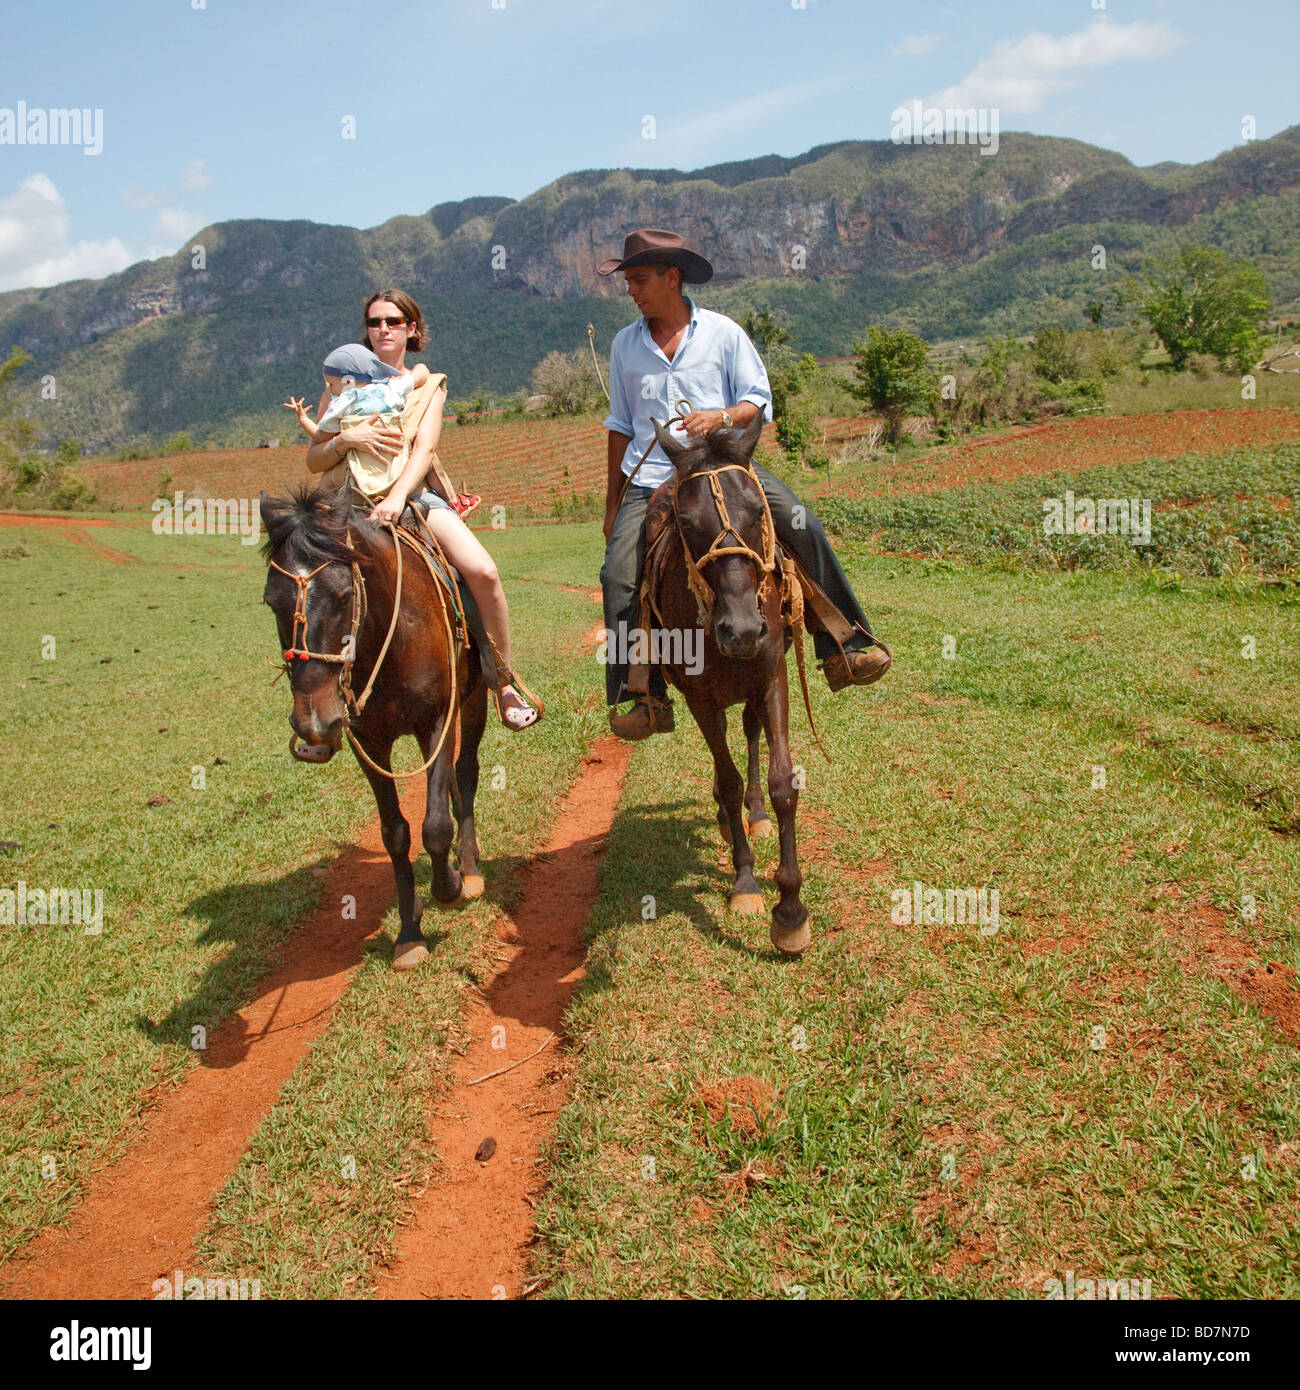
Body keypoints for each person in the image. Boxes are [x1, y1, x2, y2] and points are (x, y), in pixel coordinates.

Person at [597, 229, 891, 740]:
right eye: (627, 280)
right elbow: (622, 425)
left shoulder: (723, 333)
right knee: (618, 576)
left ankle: (844, 645)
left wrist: (720, 416)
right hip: (651, 478)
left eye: (639, 279)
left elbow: (757, 402)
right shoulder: (625, 344)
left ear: (672, 278)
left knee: (805, 524)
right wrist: (613, 501)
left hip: (725, 469)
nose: (631, 290)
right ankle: (638, 694)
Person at [302, 289, 539, 731]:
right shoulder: (340, 385)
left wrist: (396, 499)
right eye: (374, 322)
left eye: (393, 321)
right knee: (303, 589)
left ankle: (504, 682)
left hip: (410, 499)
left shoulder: (427, 385)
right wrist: (345, 442)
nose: (383, 329)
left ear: (412, 329)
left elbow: (425, 449)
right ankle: (315, 705)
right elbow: (315, 458)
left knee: (483, 572)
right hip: (343, 504)